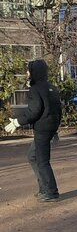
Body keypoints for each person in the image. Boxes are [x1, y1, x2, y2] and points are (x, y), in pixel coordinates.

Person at [4, 59, 62, 202]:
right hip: (50, 128)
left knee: (42, 161)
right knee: (32, 156)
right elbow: (58, 110)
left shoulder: (35, 89)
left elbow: (34, 111)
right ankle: (44, 188)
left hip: (42, 129)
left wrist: (17, 122)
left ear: (34, 72)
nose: (27, 73)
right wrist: (55, 129)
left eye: (28, 70)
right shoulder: (52, 88)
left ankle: (51, 192)